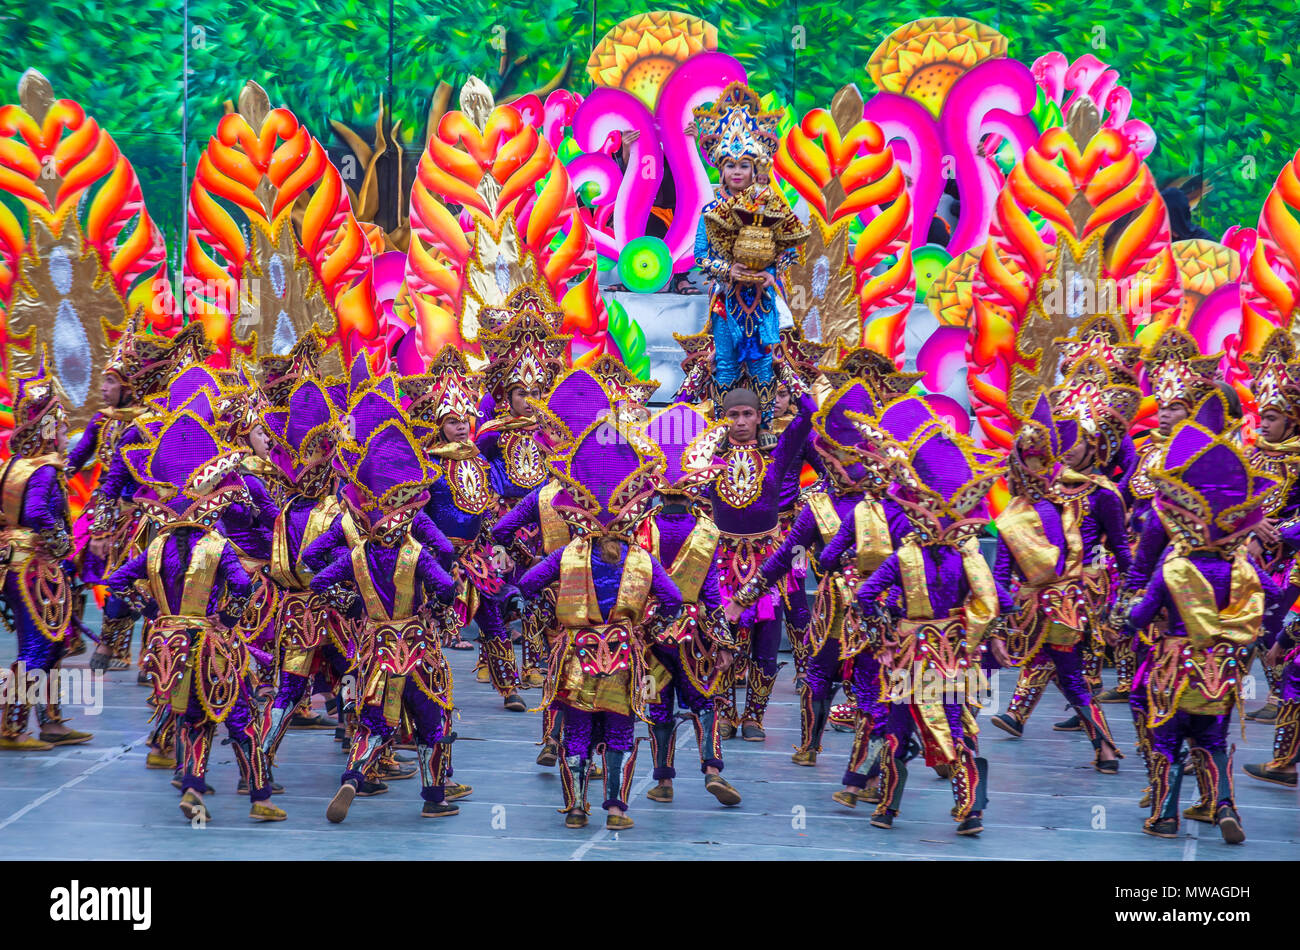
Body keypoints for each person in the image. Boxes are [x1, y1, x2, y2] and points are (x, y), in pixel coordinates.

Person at [107, 392, 285, 823]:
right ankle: (260, 797)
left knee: (192, 719)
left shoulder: (156, 546)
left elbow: (115, 583)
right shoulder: (216, 546)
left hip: (169, 644)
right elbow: (242, 588)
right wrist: (225, 621)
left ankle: (191, 788)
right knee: (241, 717)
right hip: (210, 644)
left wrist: (152, 614)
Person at [305, 371, 464, 822]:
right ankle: (435, 798)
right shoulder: (416, 552)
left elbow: (316, 580)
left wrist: (351, 604)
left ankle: (353, 778)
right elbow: (448, 584)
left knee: (374, 722)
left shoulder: (356, 555)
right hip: (416, 646)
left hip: (376, 646)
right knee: (434, 723)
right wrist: (436, 612)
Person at [516, 417, 684, 829]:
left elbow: (527, 582)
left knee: (576, 731)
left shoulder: (568, 554)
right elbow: (675, 600)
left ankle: (575, 809)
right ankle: (615, 810)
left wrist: (551, 612)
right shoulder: (642, 559)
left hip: (575, 655)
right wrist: (646, 626)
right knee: (620, 731)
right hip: (624, 658)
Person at [1124, 421, 1282, 843]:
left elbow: (1138, 617)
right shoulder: (1241, 567)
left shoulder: (1174, 567)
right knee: (1212, 740)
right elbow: (1277, 594)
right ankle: (1224, 805)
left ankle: (1165, 817)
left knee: (1166, 741)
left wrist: (1127, 618)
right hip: (1224, 669)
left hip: (1175, 669)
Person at [854, 422, 1010, 835]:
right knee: (956, 727)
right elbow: (1002, 602)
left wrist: (882, 637)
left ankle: (888, 808)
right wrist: (988, 635)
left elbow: (863, 597)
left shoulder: (902, 559)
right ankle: (970, 809)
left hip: (909, 659)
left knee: (897, 731)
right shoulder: (967, 559)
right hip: (953, 658)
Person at [988, 394, 1123, 772]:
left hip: (1034, 608)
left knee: (977, 672)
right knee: (1070, 675)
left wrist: (999, 623)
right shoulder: (1063, 505)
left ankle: (954, 745)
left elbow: (1001, 576)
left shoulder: (1016, 516)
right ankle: (1106, 750)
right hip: (1067, 603)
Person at [641, 401, 742, 807]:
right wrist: (724, 642)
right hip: (695, 631)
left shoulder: (641, 528)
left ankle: (663, 783)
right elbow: (714, 593)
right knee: (704, 700)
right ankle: (712, 769)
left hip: (650, 633)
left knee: (657, 704)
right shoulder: (707, 530)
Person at [693, 82, 808, 424]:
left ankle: (767, 424)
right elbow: (701, 255)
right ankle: (725, 426)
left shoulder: (772, 204)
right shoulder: (711, 209)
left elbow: (788, 246)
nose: (738, 172)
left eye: (745, 164)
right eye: (731, 165)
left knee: (763, 361)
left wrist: (772, 273)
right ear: (720, 169)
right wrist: (729, 271)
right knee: (726, 362)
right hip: (726, 300)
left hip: (763, 298)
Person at [710, 376, 816, 740]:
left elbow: (810, 414)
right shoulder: (709, 455)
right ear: (723, 418)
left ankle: (755, 715)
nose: (740, 422)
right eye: (733, 415)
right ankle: (724, 712)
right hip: (722, 560)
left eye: (747, 414)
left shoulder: (778, 454)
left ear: (759, 417)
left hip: (768, 560)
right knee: (723, 636)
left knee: (767, 640)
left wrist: (785, 370)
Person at [0, 354, 92, 751]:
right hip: (33, 568)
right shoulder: (44, 469)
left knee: (50, 644)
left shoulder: (15, 464)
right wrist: (62, 544)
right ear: (48, 426)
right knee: (37, 646)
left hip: (14, 562)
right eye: (61, 422)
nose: (66, 430)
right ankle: (11, 728)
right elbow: (38, 512)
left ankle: (50, 722)